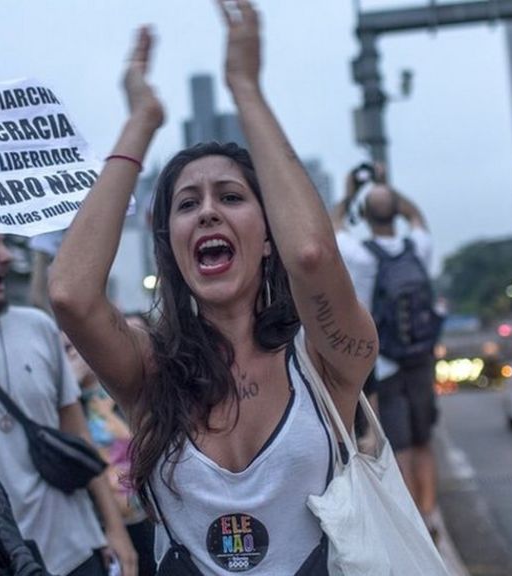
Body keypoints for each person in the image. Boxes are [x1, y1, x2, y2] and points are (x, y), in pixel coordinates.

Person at [50, 2, 377, 573]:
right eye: (186, 204)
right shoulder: (150, 369)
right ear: (170, 246)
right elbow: (71, 294)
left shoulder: (324, 358)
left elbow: (312, 252)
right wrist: (142, 120)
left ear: (267, 235)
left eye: (230, 197)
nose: (207, 213)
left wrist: (245, 87)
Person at [0, 224, 137, 576]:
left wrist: (114, 529)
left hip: (77, 550)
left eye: (5, 243)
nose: (6, 255)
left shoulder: (36, 327)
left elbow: (78, 437)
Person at [331, 162, 441, 535]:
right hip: (422, 357)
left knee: (402, 446)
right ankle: (429, 509)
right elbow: (418, 217)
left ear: (365, 215)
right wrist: (386, 186)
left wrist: (350, 191)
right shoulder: (419, 247)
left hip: (388, 363)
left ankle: (418, 526)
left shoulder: (360, 257)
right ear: (396, 211)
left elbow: (332, 227)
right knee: (425, 440)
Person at [63, 322, 155, 576]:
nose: (73, 353)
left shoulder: (127, 389)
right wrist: (68, 384)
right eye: (66, 348)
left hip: (145, 516)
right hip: (99, 525)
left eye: (74, 345)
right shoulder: (67, 401)